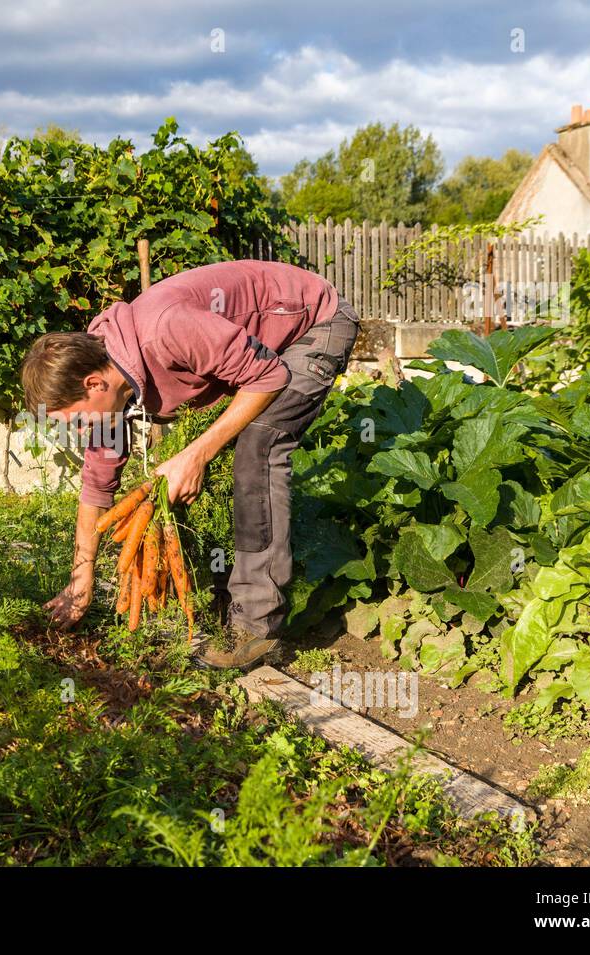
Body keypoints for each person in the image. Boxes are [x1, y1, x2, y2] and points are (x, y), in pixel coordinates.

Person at [19, 258, 360, 667]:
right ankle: (225, 582)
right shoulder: (109, 381)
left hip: (312, 323)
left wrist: (196, 454)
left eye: (75, 420)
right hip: (262, 346)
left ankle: (256, 630)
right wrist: (80, 581)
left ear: (94, 384)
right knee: (219, 447)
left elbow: (267, 377)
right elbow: (97, 486)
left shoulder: (166, 329)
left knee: (259, 446)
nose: (76, 432)